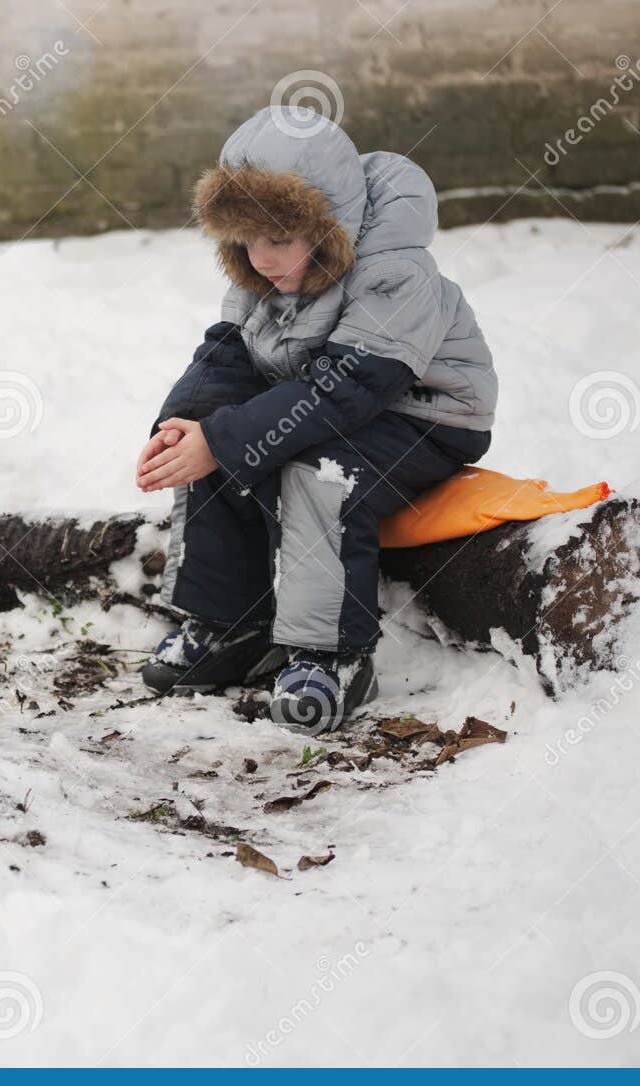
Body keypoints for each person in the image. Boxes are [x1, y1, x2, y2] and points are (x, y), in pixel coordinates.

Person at [135, 106, 496, 732]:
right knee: (217, 445)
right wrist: (184, 425)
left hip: (423, 413)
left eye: (279, 237)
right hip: (325, 396)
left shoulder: (394, 271)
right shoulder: (259, 273)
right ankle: (232, 626)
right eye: (246, 238)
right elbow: (226, 358)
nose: (262, 256)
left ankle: (332, 656)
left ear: (329, 226)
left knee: (314, 471)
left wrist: (225, 439)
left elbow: (348, 386)